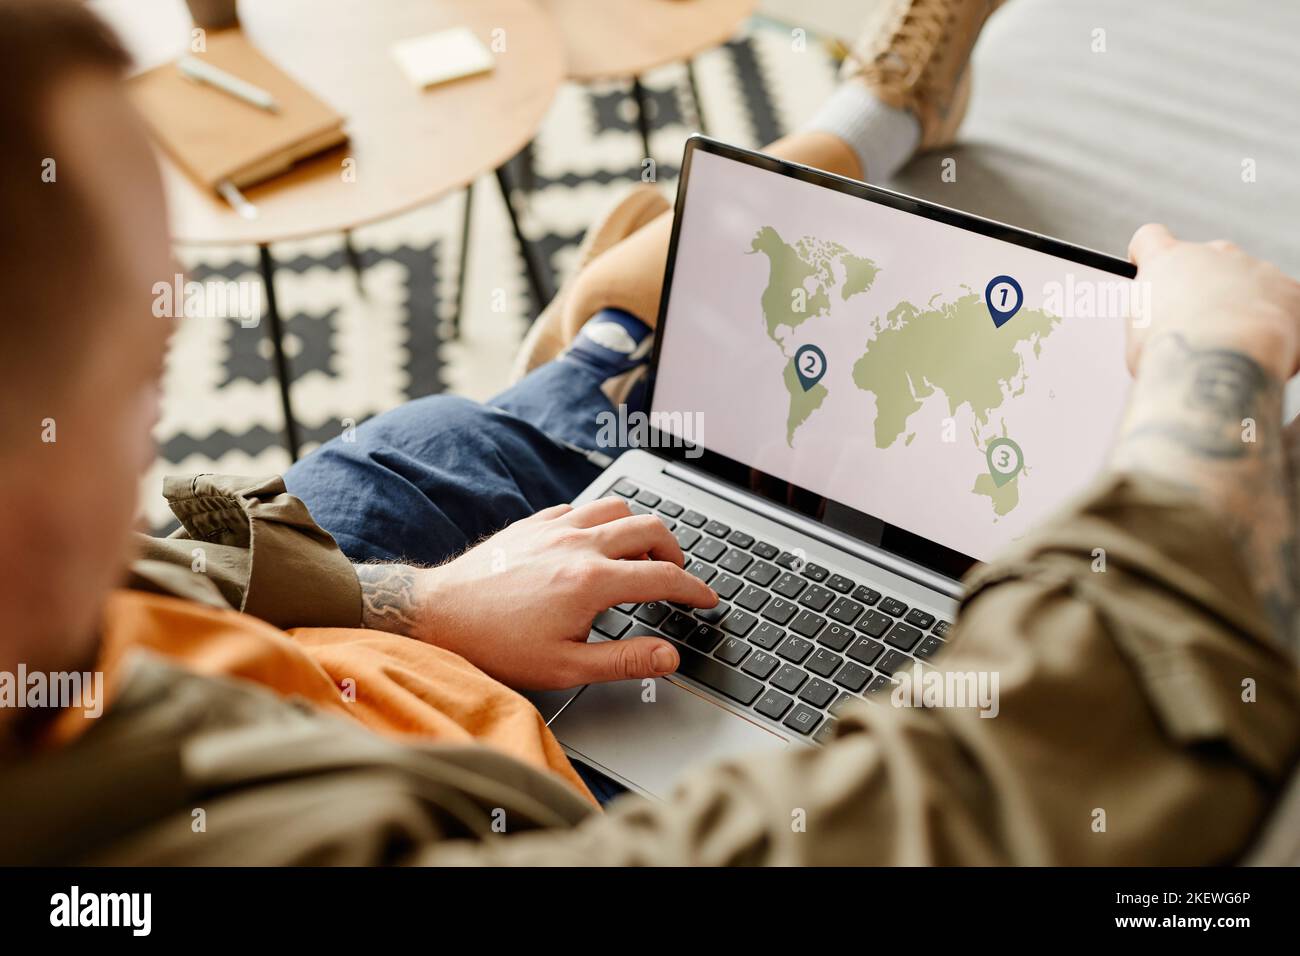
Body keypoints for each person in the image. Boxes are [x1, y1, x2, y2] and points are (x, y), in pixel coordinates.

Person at [1, 0, 1297, 865]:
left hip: (325, 611)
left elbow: (164, 570)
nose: (147, 457)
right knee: (632, 361)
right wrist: (1205, 387)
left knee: (573, 410)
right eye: (141, 379)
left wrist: (409, 607)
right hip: (524, 782)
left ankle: (819, 170)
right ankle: (817, 167)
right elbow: (949, 814)